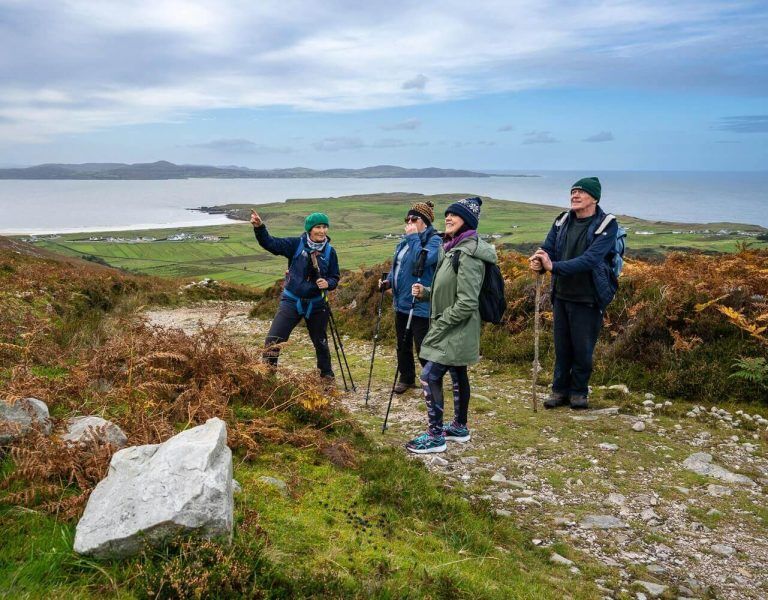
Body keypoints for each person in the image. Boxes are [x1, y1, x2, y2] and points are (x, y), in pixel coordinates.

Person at [406, 197, 497, 453]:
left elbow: (467, 302)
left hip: (456, 328)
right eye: (447, 215)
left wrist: (441, 322)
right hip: (454, 326)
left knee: (428, 376)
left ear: (466, 221)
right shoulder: (453, 248)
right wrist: (426, 292)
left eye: (454, 216)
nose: (448, 218)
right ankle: (459, 427)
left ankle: (435, 437)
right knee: (457, 374)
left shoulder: (468, 254)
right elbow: (449, 289)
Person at [529, 177, 618, 410]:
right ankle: (559, 391)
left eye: (581, 192)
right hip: (562, 294)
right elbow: (548, 247)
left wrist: (554, 267)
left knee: (583, 348)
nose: (574, 195)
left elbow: (591, 260)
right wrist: (539, 259)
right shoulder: (561, 221)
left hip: (588, 297)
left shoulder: (607, 224)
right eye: (573, 192)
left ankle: (578, 392)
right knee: (562, 347)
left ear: (595, 198)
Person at [250, 210, 340, 380]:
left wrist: (329, 284)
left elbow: (335, 276)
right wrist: (259, 227)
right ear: (309, 230)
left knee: (320, 343)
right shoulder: (295, 244)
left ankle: (326, 376)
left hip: (317, 304)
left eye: (324, 227)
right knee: (273, 340)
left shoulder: (330, 252)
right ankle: (268, 377)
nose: (322, 231)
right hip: (291, 301)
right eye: (318, 227)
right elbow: (271, 244)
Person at [378, 200, 441, 394]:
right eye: (408, 219)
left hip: (420, 303)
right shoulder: (404, 242)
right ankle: (406, 378)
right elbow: (397, 266)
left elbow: (419, 261)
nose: (410, 222)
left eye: (415, 219)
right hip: (401, 302)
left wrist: (413, 237)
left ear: (426, 221)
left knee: (423, 346)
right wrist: (388, 282)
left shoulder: (435, 241)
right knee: (402, 344)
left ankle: (431, 380)